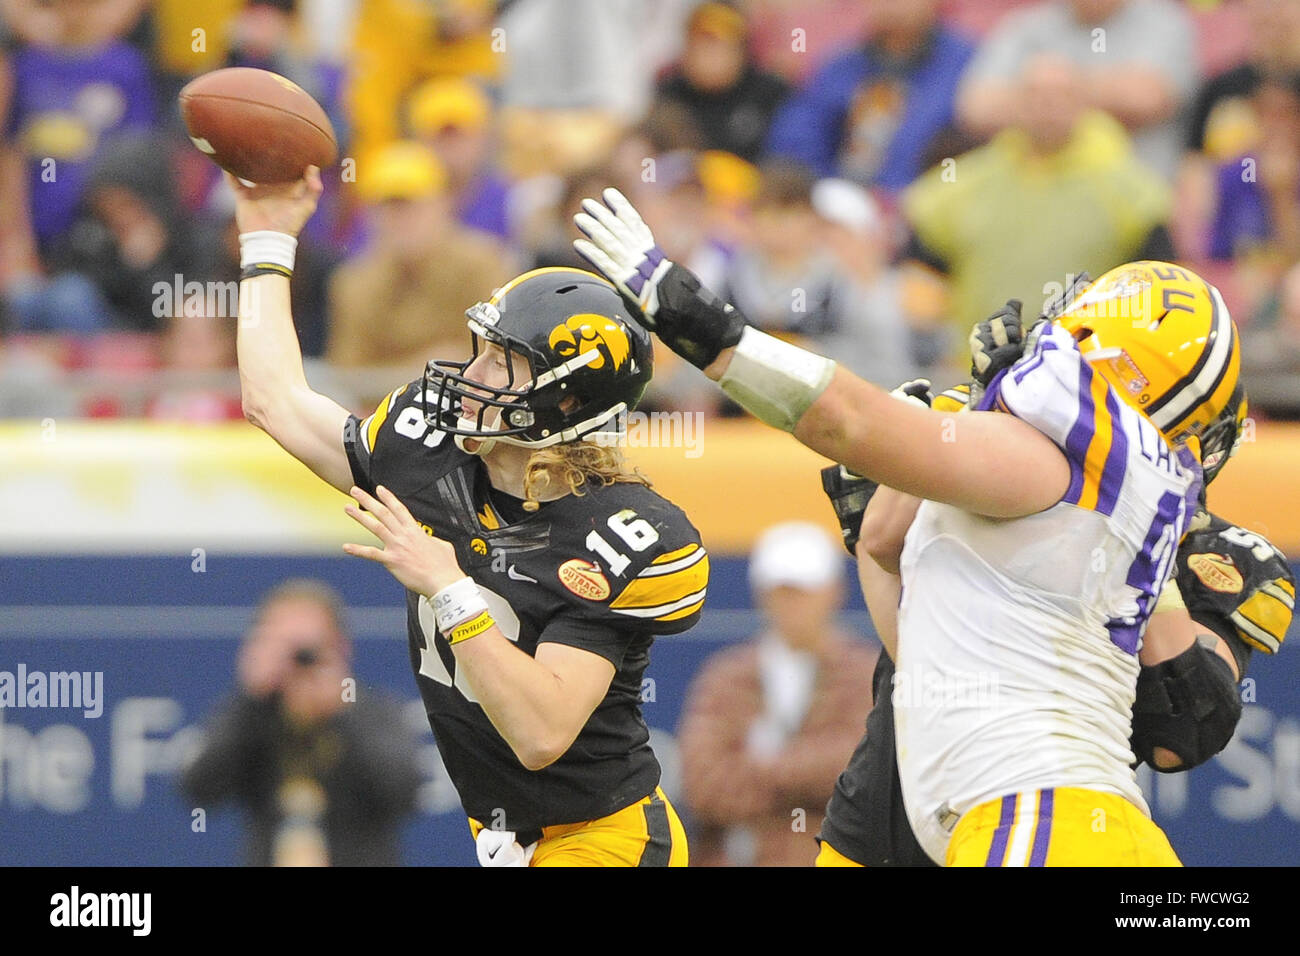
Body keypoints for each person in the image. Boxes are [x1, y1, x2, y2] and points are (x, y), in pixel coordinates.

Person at [573, 189, 1244, 865]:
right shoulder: (1071, 471)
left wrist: (709, 331)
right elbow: (888, 558)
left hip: (1044, 818)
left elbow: (849, 423)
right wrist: (955, 419)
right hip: (1001, 820)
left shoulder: (1053, 465)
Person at [231, 168, 707, 866]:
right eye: (481, 350)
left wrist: (450, 589)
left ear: (566, 401)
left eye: (502, 363)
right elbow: (273, 401)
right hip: (504, 835)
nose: (473, 374)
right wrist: (267, 238)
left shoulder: (621, 531)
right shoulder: (429, 451)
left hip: (604, 838)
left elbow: (542, 732)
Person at [180, 579, 421, 866]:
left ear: (341, 647)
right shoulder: (251, 716)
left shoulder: (373, 713)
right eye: (282, 644)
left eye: (308, 649)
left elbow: (404, 795)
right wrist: (252, 696)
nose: (297, 661)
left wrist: (341, 710)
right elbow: (200, 789)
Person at [678, 521, 875, 866]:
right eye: (782, 591)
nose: (792, 604)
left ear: (834, 591)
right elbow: (703, 786)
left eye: (803, 590)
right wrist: (810, 782)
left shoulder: (866, 674)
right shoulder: (726, 676)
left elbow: (863, 776)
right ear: (762, 594)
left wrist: (758, 766)